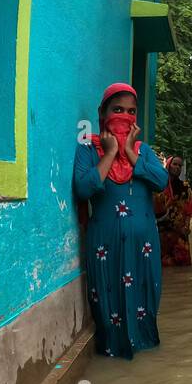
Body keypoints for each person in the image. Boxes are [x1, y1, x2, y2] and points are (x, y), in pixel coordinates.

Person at [73, 82, 169, 358]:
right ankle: (112, 353)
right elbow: (83, 188)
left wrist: (127, 150)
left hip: (144, 246)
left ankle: (146, 354)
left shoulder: (143, 151)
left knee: (145, 303)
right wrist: (110, 152)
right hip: (105, 246)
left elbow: (161, 181)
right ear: (102, 113)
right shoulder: (88, 148)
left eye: (130, 112)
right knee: (107, 302)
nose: (124, 116)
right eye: (117, 109)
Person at [155, 156, 192, 267]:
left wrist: (187, 227)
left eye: (179, 165)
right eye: (175, 164)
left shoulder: (185, 187)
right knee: (162, 264)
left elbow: (189, 209)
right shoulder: (159, 186)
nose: (177, 167)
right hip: (162, 231)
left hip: (180, 232)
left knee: (182, 263)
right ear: (168, 165)